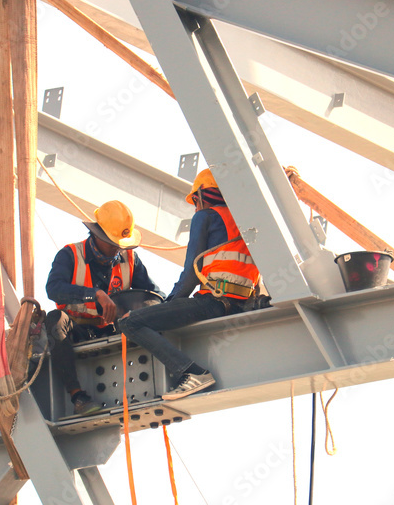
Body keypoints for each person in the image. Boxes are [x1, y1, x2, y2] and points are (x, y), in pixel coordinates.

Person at [118, 169, 262, 401]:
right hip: (243, 305)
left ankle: (192, 373)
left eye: (195, 201)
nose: (195, 207)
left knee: (130, 322)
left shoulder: (205, 217)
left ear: (202, 196)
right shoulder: (248, 221)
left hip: (213, 302)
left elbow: (191, 275)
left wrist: (167, 305)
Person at [45, 200, 159, 416]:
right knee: (55, 319)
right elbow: (54, 289)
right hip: (76, 330)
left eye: (120, 243)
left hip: (113, 329)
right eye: (112, 242)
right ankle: (78, 396)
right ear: (97, 235)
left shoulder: (129, 259)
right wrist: (94, 294)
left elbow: (154, 295)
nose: (117, 248)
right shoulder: (70, 255)